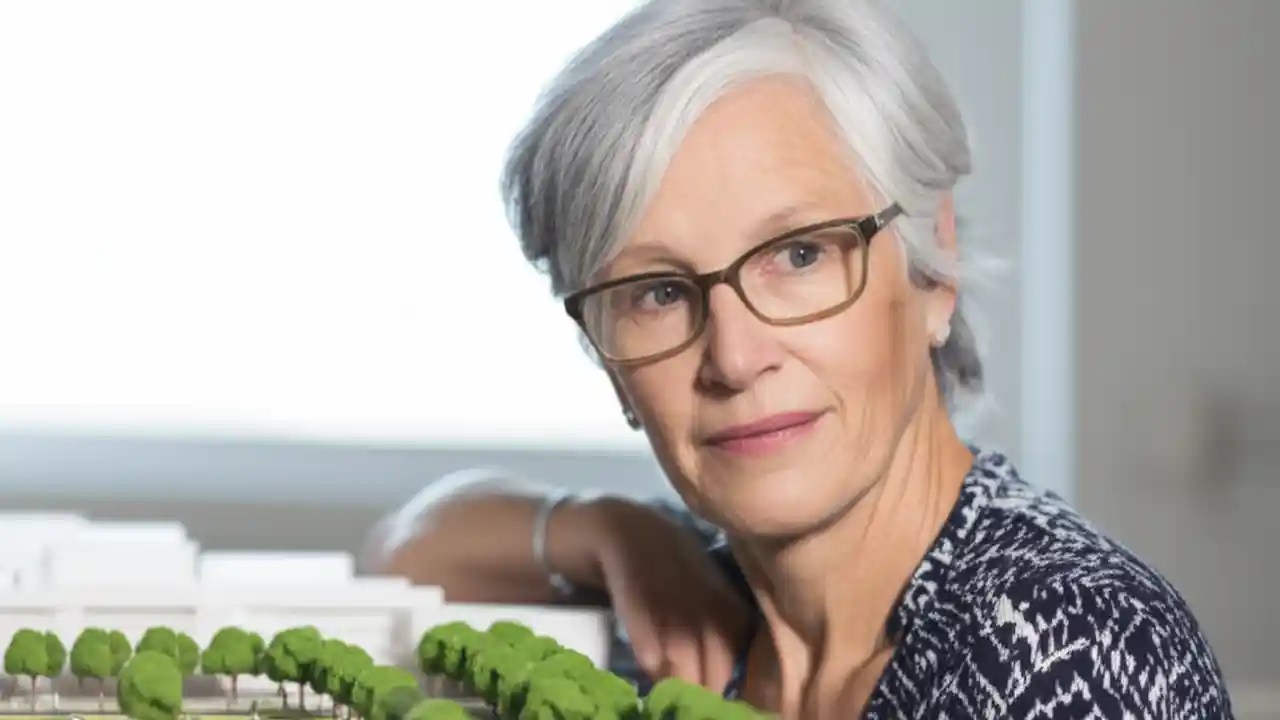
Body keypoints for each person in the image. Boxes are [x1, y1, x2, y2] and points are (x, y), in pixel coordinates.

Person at [362, 0, 1233, 717]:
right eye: (659, 292)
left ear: (932, 269)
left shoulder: (1070, 646)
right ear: (604, 354)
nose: (735, 357)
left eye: (800, 254)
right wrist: (607, 531)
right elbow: (407, 551)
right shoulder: (692, 595)